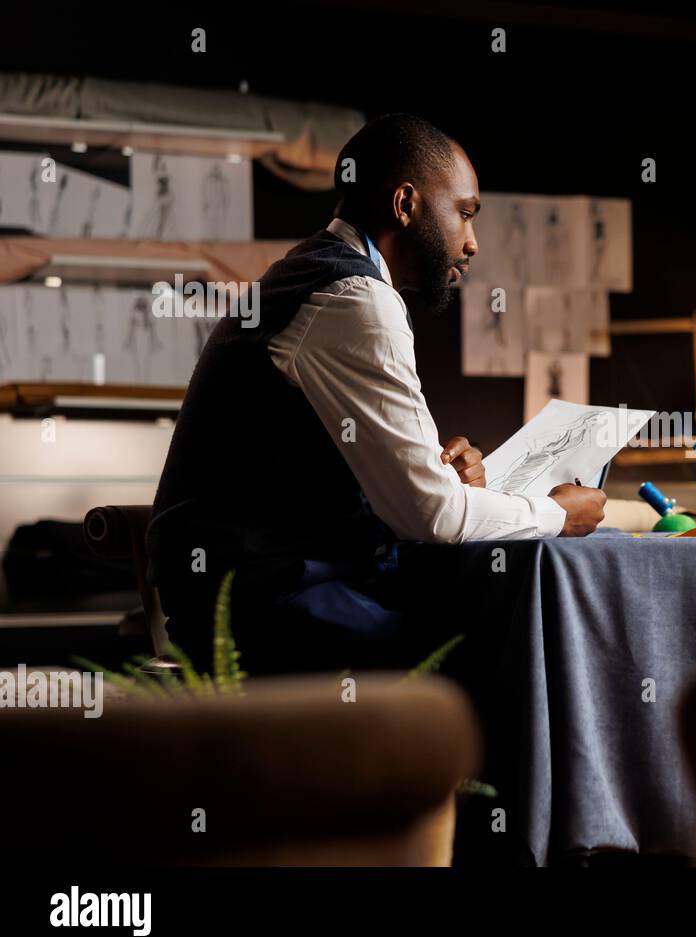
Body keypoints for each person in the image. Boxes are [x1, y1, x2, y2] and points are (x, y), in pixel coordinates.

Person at [146, 114, 606, 670]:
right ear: (406, 204)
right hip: (260, 606)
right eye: (463, 213)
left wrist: (441, 477)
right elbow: (431, 517)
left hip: (248, 589)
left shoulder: (311, 274)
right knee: (514, 635)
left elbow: (412, 496)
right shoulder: (354, 298)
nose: (473, 242)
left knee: (505, 615)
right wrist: (556, 515)